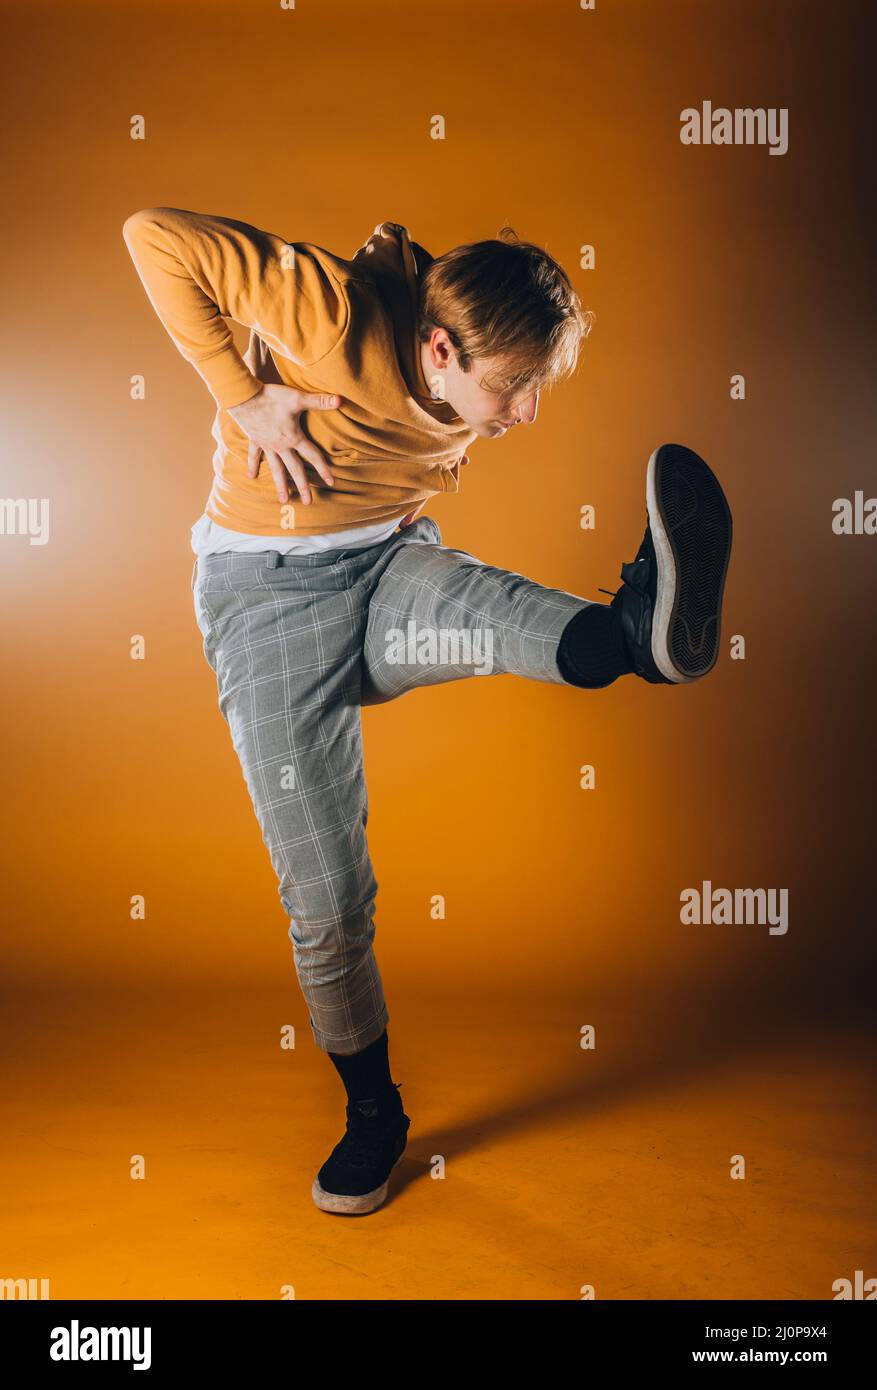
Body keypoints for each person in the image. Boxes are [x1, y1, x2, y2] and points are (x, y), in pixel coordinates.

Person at [122, 208, 733, 1215]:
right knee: (328, 900)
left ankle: (640, 634)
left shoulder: (466, 362)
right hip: (268, 603)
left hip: (385, 576)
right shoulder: (332, 317)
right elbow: (153, 236)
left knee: (497, 616)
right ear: (439, 349)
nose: (527, 413)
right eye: (511, 389)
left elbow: (431, 428)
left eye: (535, 388)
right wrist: (244, 401)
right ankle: (375, 1114)